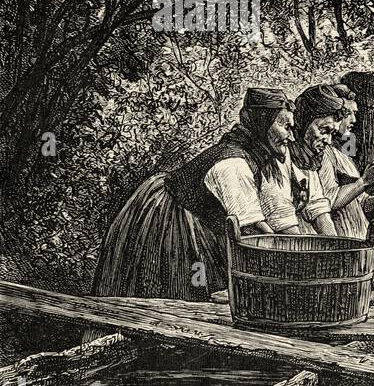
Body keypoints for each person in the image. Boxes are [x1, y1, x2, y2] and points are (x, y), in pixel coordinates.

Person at [91, 87, 331, 306]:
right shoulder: (233, 164)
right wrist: (298, 263)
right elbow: (254, 232)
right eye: (285, 127)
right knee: (170, 288)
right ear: (262, 123)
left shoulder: (260, 154)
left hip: (198, 221)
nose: (291, 137)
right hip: (168, 219)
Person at [299, 83, 374, 239]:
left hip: (357, 237)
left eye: (355, 113)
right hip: (341, 238)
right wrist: (364, 182)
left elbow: (361, 203)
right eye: (348, 113)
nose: (353, 120)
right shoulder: (322, 153)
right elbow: (328, 201)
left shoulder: (345, 152)